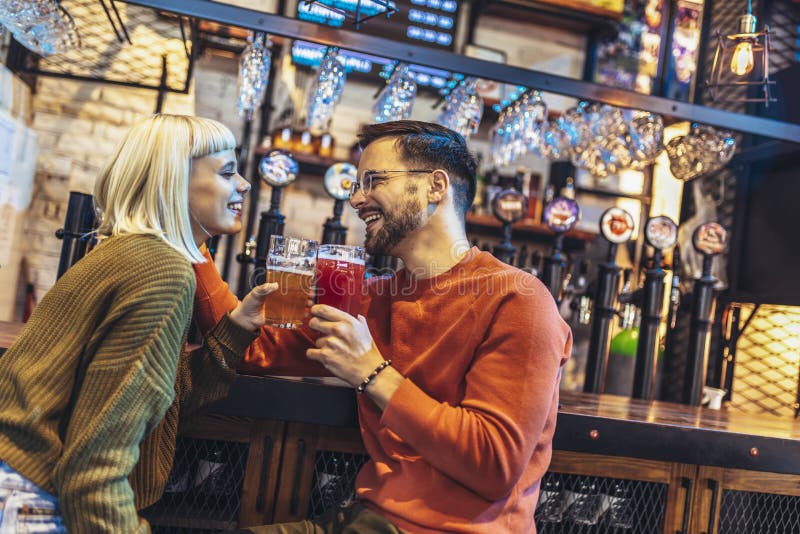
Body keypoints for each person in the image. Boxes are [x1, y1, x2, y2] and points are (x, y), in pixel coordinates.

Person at [193, 120, 572, 533]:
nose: (357, 199)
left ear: (435, 186)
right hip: (370, 520)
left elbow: (493, 465)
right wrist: (192, 240)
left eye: (374, 180)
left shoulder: (518, 299)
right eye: (357, 184)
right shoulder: (374, 297)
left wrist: (372, 373)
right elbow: (254, 351)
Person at [0, 114, 275, 533]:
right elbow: (95, 466)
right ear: (174, 181)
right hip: (31, 498)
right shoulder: (161, 270)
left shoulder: (134, 254)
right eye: (227, 172)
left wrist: (236, 324)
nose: (245, 185)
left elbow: (165, 404)